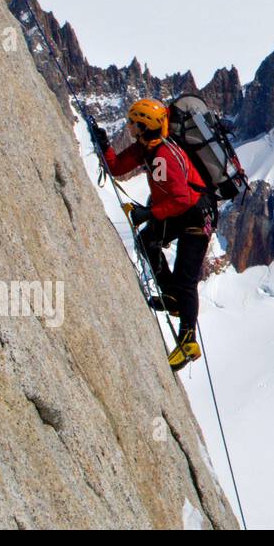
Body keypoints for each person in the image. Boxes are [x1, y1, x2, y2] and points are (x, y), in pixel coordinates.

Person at [92, 98, 215, 372]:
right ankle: (170, 297)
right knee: (147, 241)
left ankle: (188, 341)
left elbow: (182, 199)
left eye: (133, 123)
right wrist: (103, 145)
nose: (129, 126)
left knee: (186, 279)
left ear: (144, 126)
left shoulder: (161, 156)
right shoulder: (146, 149)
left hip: (196, 216)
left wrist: (148, 214)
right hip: (180, 212)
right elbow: (117, 168)